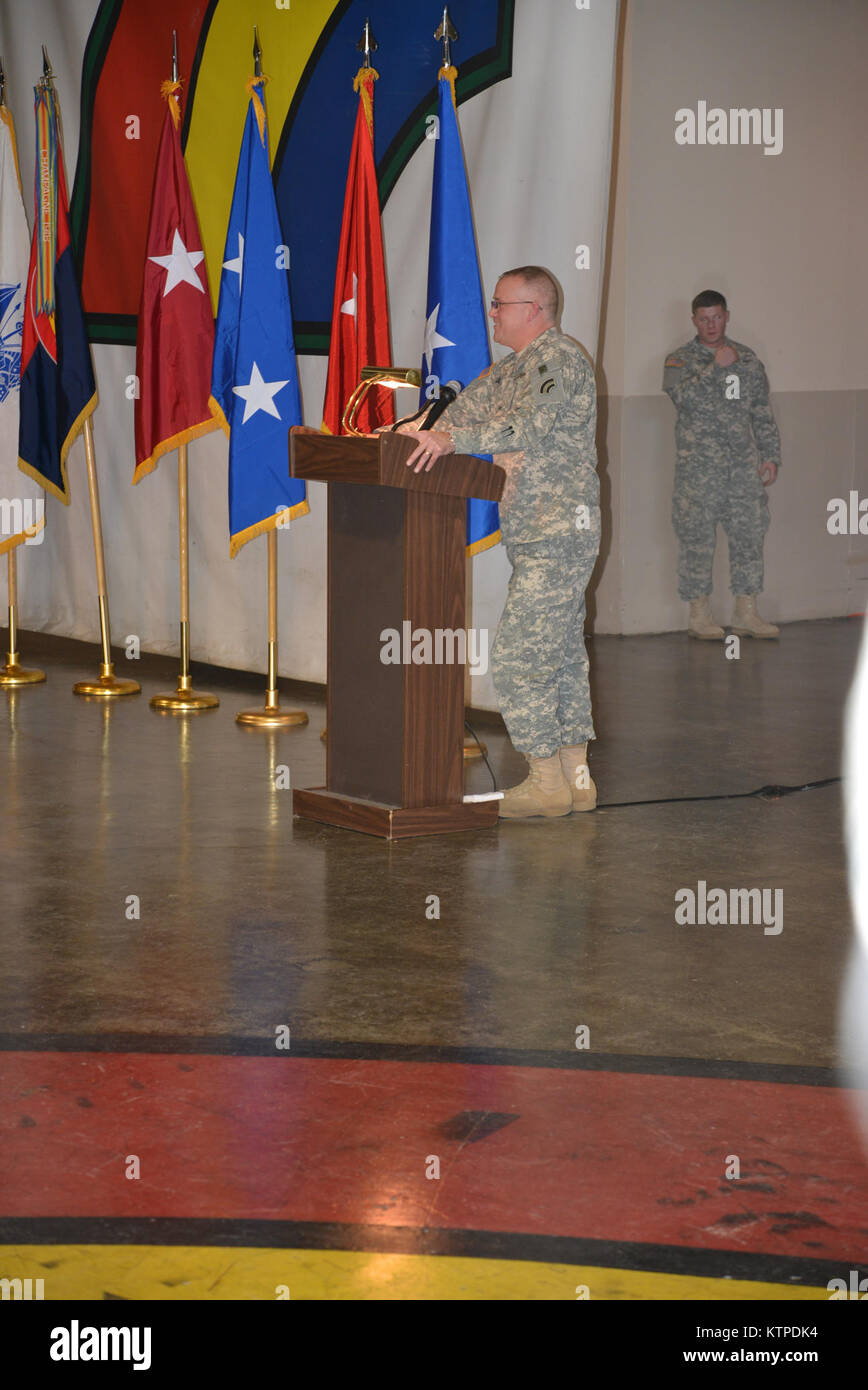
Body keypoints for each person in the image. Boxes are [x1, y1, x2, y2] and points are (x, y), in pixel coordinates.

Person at [398, 265, 600, 819]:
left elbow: (529, 427)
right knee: (559, 656)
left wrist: (451, 439)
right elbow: (456, 414)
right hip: (535, 528)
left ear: (534, 309)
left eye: (500, 304)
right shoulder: (513, 369)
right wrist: (403, 435)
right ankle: (575, 781)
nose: (492, 313)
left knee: (516, 657)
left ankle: (544, 783)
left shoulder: (557, 360)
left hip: (561, 529)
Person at [663, 290, 781, 639]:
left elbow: (761, 411)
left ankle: (747, 612)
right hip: (698, 472)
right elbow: (683, 400)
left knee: (749, 537)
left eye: (717, 317)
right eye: (704, 318)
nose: (711, 324)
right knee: (697, 541)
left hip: (742, 470)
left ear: (727, 316)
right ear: (694, 320)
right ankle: (699, 615)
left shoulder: (747, 358)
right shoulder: (679, 360)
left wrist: (771, 455)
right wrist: (716, 368)